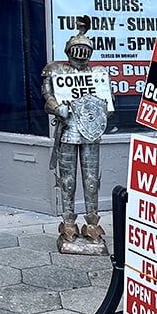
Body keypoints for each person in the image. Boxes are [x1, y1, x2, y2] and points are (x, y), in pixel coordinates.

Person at [41, 15, 114, 250]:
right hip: (68, 130)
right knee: (68, 180)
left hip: (92, 132)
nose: (81, 54)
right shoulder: (56, 71)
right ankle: (69, 220)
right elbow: (48, 98)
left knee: (92, 180)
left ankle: (92, 222)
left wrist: (104, 109)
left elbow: (107, 103)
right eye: (76, 49)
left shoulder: (99, 74)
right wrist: (58, 108)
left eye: (85, 50)